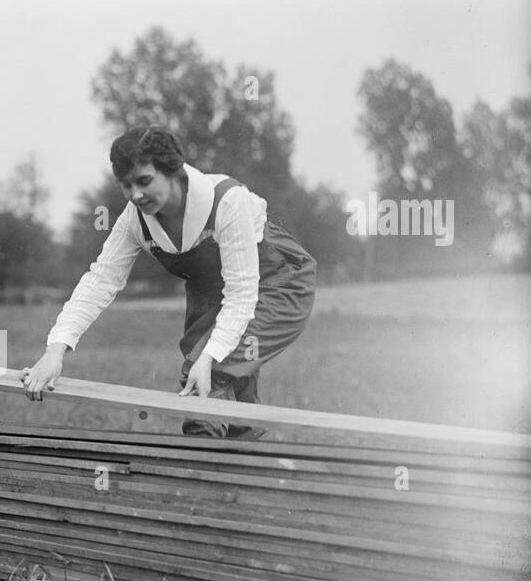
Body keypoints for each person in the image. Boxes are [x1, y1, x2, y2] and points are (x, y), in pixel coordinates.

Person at [23, 126, 316, 436]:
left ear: (173, 171)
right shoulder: (133, 220)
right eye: (126, 185)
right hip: (214, 289)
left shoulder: (227, 201)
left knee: (210, 369)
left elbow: (243, 293)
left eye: (144, 181)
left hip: (277, 281)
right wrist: (55, 350)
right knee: (223, 376)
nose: (135, 195)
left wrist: (210, 356)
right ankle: (246, 461)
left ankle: (196, 467)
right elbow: (101, 279)